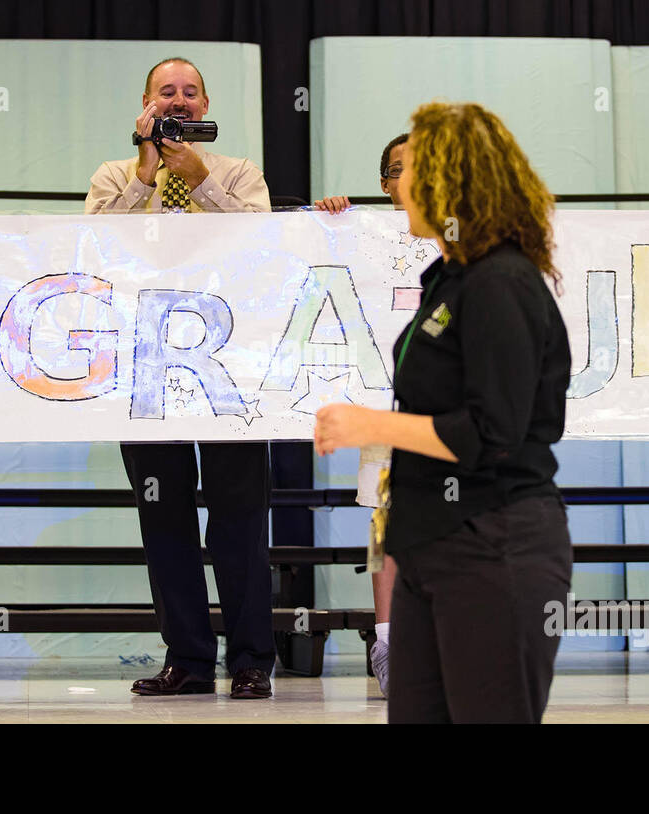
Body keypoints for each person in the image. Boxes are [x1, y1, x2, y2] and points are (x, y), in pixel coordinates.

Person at [314, 102, 573, 723]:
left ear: (452, 183)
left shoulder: (500, 281)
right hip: (429, 545)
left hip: (494, 546)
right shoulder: (449, 278)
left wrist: (370, 426)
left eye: (413, 172)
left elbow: (495, 433)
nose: (398, 187)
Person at [86, 57, 275, 699]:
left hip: (228, 372)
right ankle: (189, 659)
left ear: (207, 103)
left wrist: (202, 185)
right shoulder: (114, 177)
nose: (180, 101)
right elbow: (94, 252)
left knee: (239, 518)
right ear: (144, 105)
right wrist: (146, 173)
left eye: (191, 92)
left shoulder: (239, 175)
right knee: (164, 517)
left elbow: (260, 250)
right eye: (167, 92)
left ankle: (252, 659)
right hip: (145, 371)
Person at [312, 132, 409, 697]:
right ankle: (389, 642)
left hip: (450, 403)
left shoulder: (466, 232)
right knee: (386, 522)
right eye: (401, 168)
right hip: (387, 402)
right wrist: (329, 219)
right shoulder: (362, 233)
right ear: (384, 181)